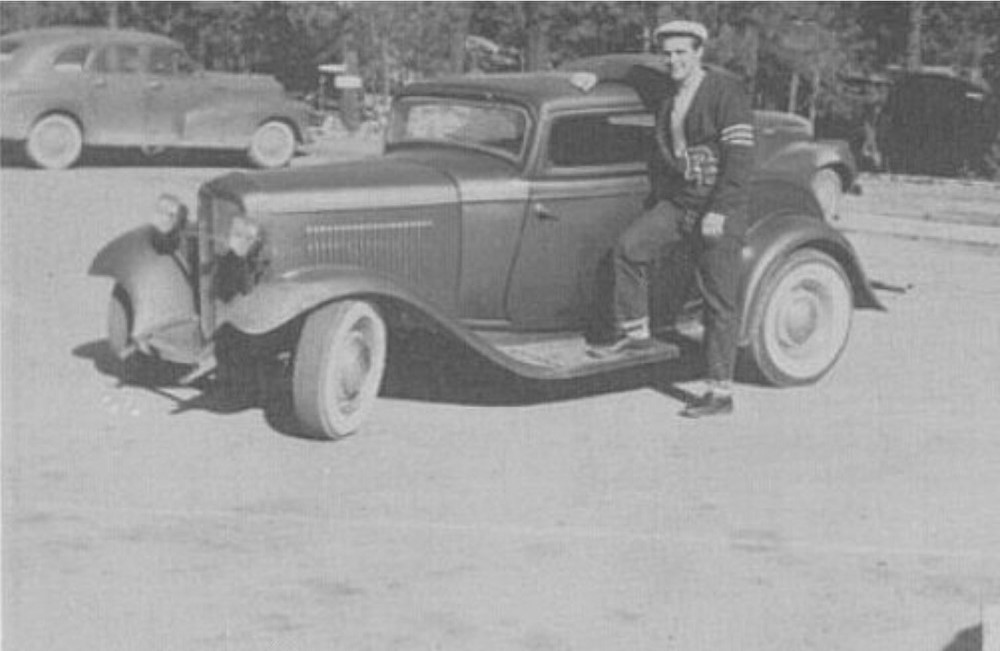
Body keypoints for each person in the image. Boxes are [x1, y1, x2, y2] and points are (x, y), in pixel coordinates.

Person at [587, 20, 755, 418]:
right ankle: (636, 335)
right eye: (668, 53)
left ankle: (719, 391)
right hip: (680, 203)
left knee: (718, 299)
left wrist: (720, 210)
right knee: (629, 248)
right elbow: (626, 68)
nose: (673, 59)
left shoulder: (724, 91)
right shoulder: (667, 89)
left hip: (717, 207)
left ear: (699, 52)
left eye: (681, 52)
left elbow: (741, 158)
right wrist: (591, 74)